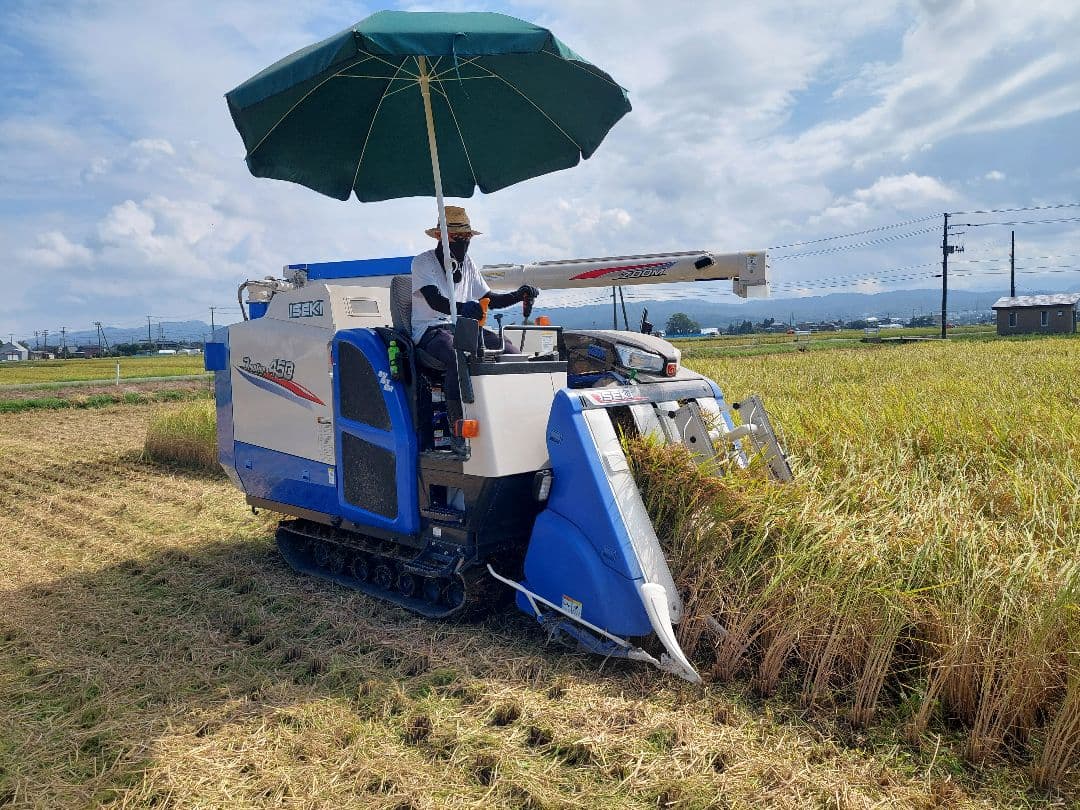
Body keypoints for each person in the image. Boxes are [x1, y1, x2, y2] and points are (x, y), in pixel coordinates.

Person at [411, 206, 539, 407]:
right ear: (439, 236)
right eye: (456, 237)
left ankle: (510, 406)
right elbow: (434, 300)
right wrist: (464, 309)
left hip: (464, 328)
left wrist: (517, 295)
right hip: (431, 331)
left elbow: (489, 299)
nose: (463, 242)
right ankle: (457, 419)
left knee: (510, 352)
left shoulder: (468, 263)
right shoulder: (422, 262)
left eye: (466, 236)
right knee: (458, 355)